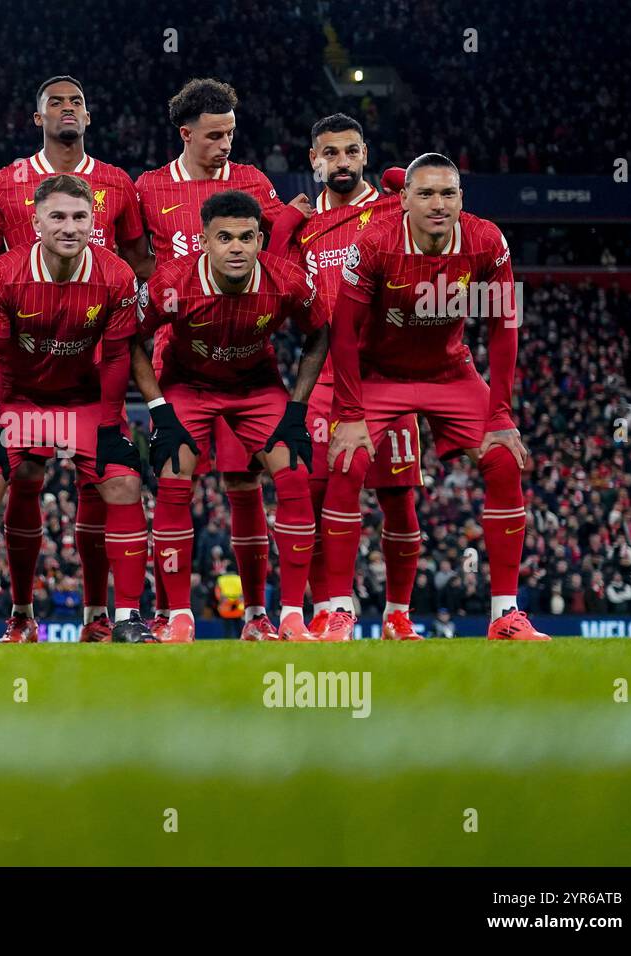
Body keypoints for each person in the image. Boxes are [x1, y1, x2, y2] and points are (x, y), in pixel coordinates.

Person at [322, 152, 549, 641]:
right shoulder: (376, 243)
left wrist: (501, 414)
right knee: (347, 460)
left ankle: (505, 614)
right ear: (403, 200)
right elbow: (343, 332)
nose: (438, 203)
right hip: (380, 374)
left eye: (448, 193)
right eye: (425, 193)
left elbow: (504, 325)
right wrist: (352, 413)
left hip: (450, 371)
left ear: (461, 198)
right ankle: (339, 612)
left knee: (505, 461)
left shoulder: (487, 240)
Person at [0, 74, 152, 644]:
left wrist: (107, 421)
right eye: (55, 101)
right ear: (35, 222)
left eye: (77, 100)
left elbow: (122, 340)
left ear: (94, 220)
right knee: (9, 478)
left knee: (116, 483)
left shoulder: (117, 208)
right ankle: (9, 617)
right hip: (21, 394)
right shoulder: (4, 203)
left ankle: (110, 618)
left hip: (84, 394)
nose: (70, 226)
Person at [135, 78, 308, 641]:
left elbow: (277, 240)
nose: (225, 144)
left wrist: (290, 223)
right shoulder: (151, 187)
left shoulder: (253, 181)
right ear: (186, 134)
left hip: (248, 350)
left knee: (245, 483)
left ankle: (260, 615)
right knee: (174, 478)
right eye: (214, 135)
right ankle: (171, 613)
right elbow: (136, 259)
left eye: (231, 133)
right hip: (181, 347)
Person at [265, 113, 423, 640]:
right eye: (330, 153)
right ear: (314, 161)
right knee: (311, 494)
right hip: (325, 377)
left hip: (385, 377)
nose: (342, 162)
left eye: (351, 152)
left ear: (365, 156)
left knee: (396, 497)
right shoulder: (306, 227)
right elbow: (274, 289)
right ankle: (331, 608)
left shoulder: (391, 210)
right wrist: (284, 228)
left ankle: (397, 614)